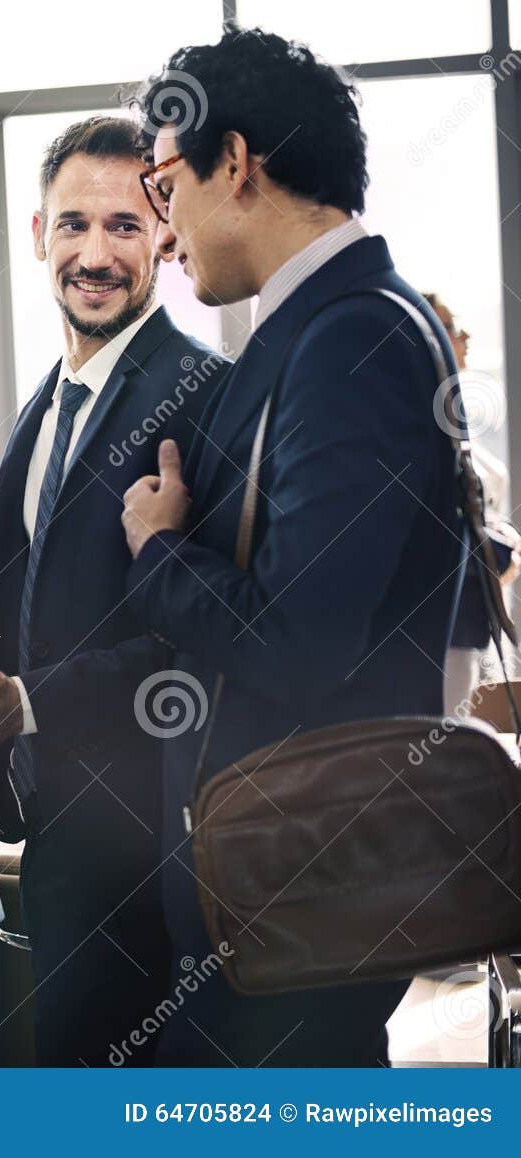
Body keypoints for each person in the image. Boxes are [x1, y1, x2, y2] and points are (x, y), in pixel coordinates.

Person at [116, 27, 464, 1065]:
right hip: (285, 890)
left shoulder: (351, 338)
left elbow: (298, 642)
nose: (162, 232)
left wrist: (158, 551)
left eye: (163, 185)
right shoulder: (331, 324)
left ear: (234, 161)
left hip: (301, 896)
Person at [0, 116, 226, 1066]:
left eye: (125, 226)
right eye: (74, 223)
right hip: (53, 838)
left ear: (165, 234)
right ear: (38, 235)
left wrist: (28, 703)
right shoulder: (39, 411)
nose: (96, 254)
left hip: (163, 855)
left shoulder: (208, 394)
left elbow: (209, 638)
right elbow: (27, 619)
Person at [423, 292, 518, 712]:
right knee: (449, 720)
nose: (464, 337)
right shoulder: (421, 419)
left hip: (472, 607)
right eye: (451, 327)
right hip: (450, 612)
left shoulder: (450, 414)